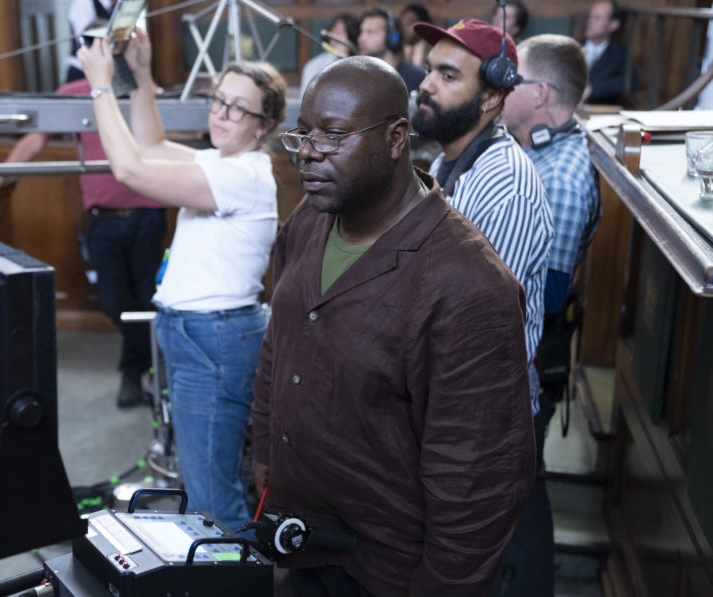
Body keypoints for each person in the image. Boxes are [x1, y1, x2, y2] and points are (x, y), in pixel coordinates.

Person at [251, 55, 535, 596]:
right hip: (302, 538)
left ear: (397, 138)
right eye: (303, 134)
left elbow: (476, 480)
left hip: (388, 574)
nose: (308, 152)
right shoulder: (310, 220)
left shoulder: (468, 284)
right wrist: (266, 451)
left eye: (334, 136)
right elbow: (279, 345)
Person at [78, 30, 286, 534]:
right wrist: (141, 75)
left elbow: (129, 169)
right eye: (218, 100)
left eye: (238, 108)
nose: (221, 114)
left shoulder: (243, 176)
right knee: (207, 488)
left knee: (214, 503)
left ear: (265, 125)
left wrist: (101, 85)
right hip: (201, 336)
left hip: (213, 339)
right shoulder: (222, 160)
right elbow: (150, 145)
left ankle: (236, 569)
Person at [0, 79, 165, 410]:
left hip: (148, 215)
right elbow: (34, 139)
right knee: (114, 303)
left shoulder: (142, 85)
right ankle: (159, 363)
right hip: (101, 219)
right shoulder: (74, 93)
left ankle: (133, 371)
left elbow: (164, 138)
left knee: (147, 298)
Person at [497, 34, 602, 597]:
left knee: (519, 491)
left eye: (513, 78)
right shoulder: (537, 152)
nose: (502, 87)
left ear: (539, 93)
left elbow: (549, 293)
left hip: (534, 353)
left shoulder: (559, 174)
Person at [411, 18, 554, 418]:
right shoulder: (448, 161)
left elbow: (479, 327)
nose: (426, 85)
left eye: (448, 76)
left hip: (481, 411)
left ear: (491, 97)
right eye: (429, 70)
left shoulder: (507, 186)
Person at [357, 7, 425, 93]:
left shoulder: (417, 77)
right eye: (361, 32)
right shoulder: (359, 76)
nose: (360, 39)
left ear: (391, 37)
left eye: (370, 32)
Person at [582, 1, 638, 104]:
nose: (590, 21)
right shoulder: (573, 46)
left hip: (600, 108)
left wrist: (593, 89)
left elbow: (631, 82)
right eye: (590, 16)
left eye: (597, 18)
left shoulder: (620, 53)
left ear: (613, 25)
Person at [300, 14, 358, 93]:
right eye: (335, 30)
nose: (338, 35)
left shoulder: (361, 63)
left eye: (343, 31)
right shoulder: (313, 66)